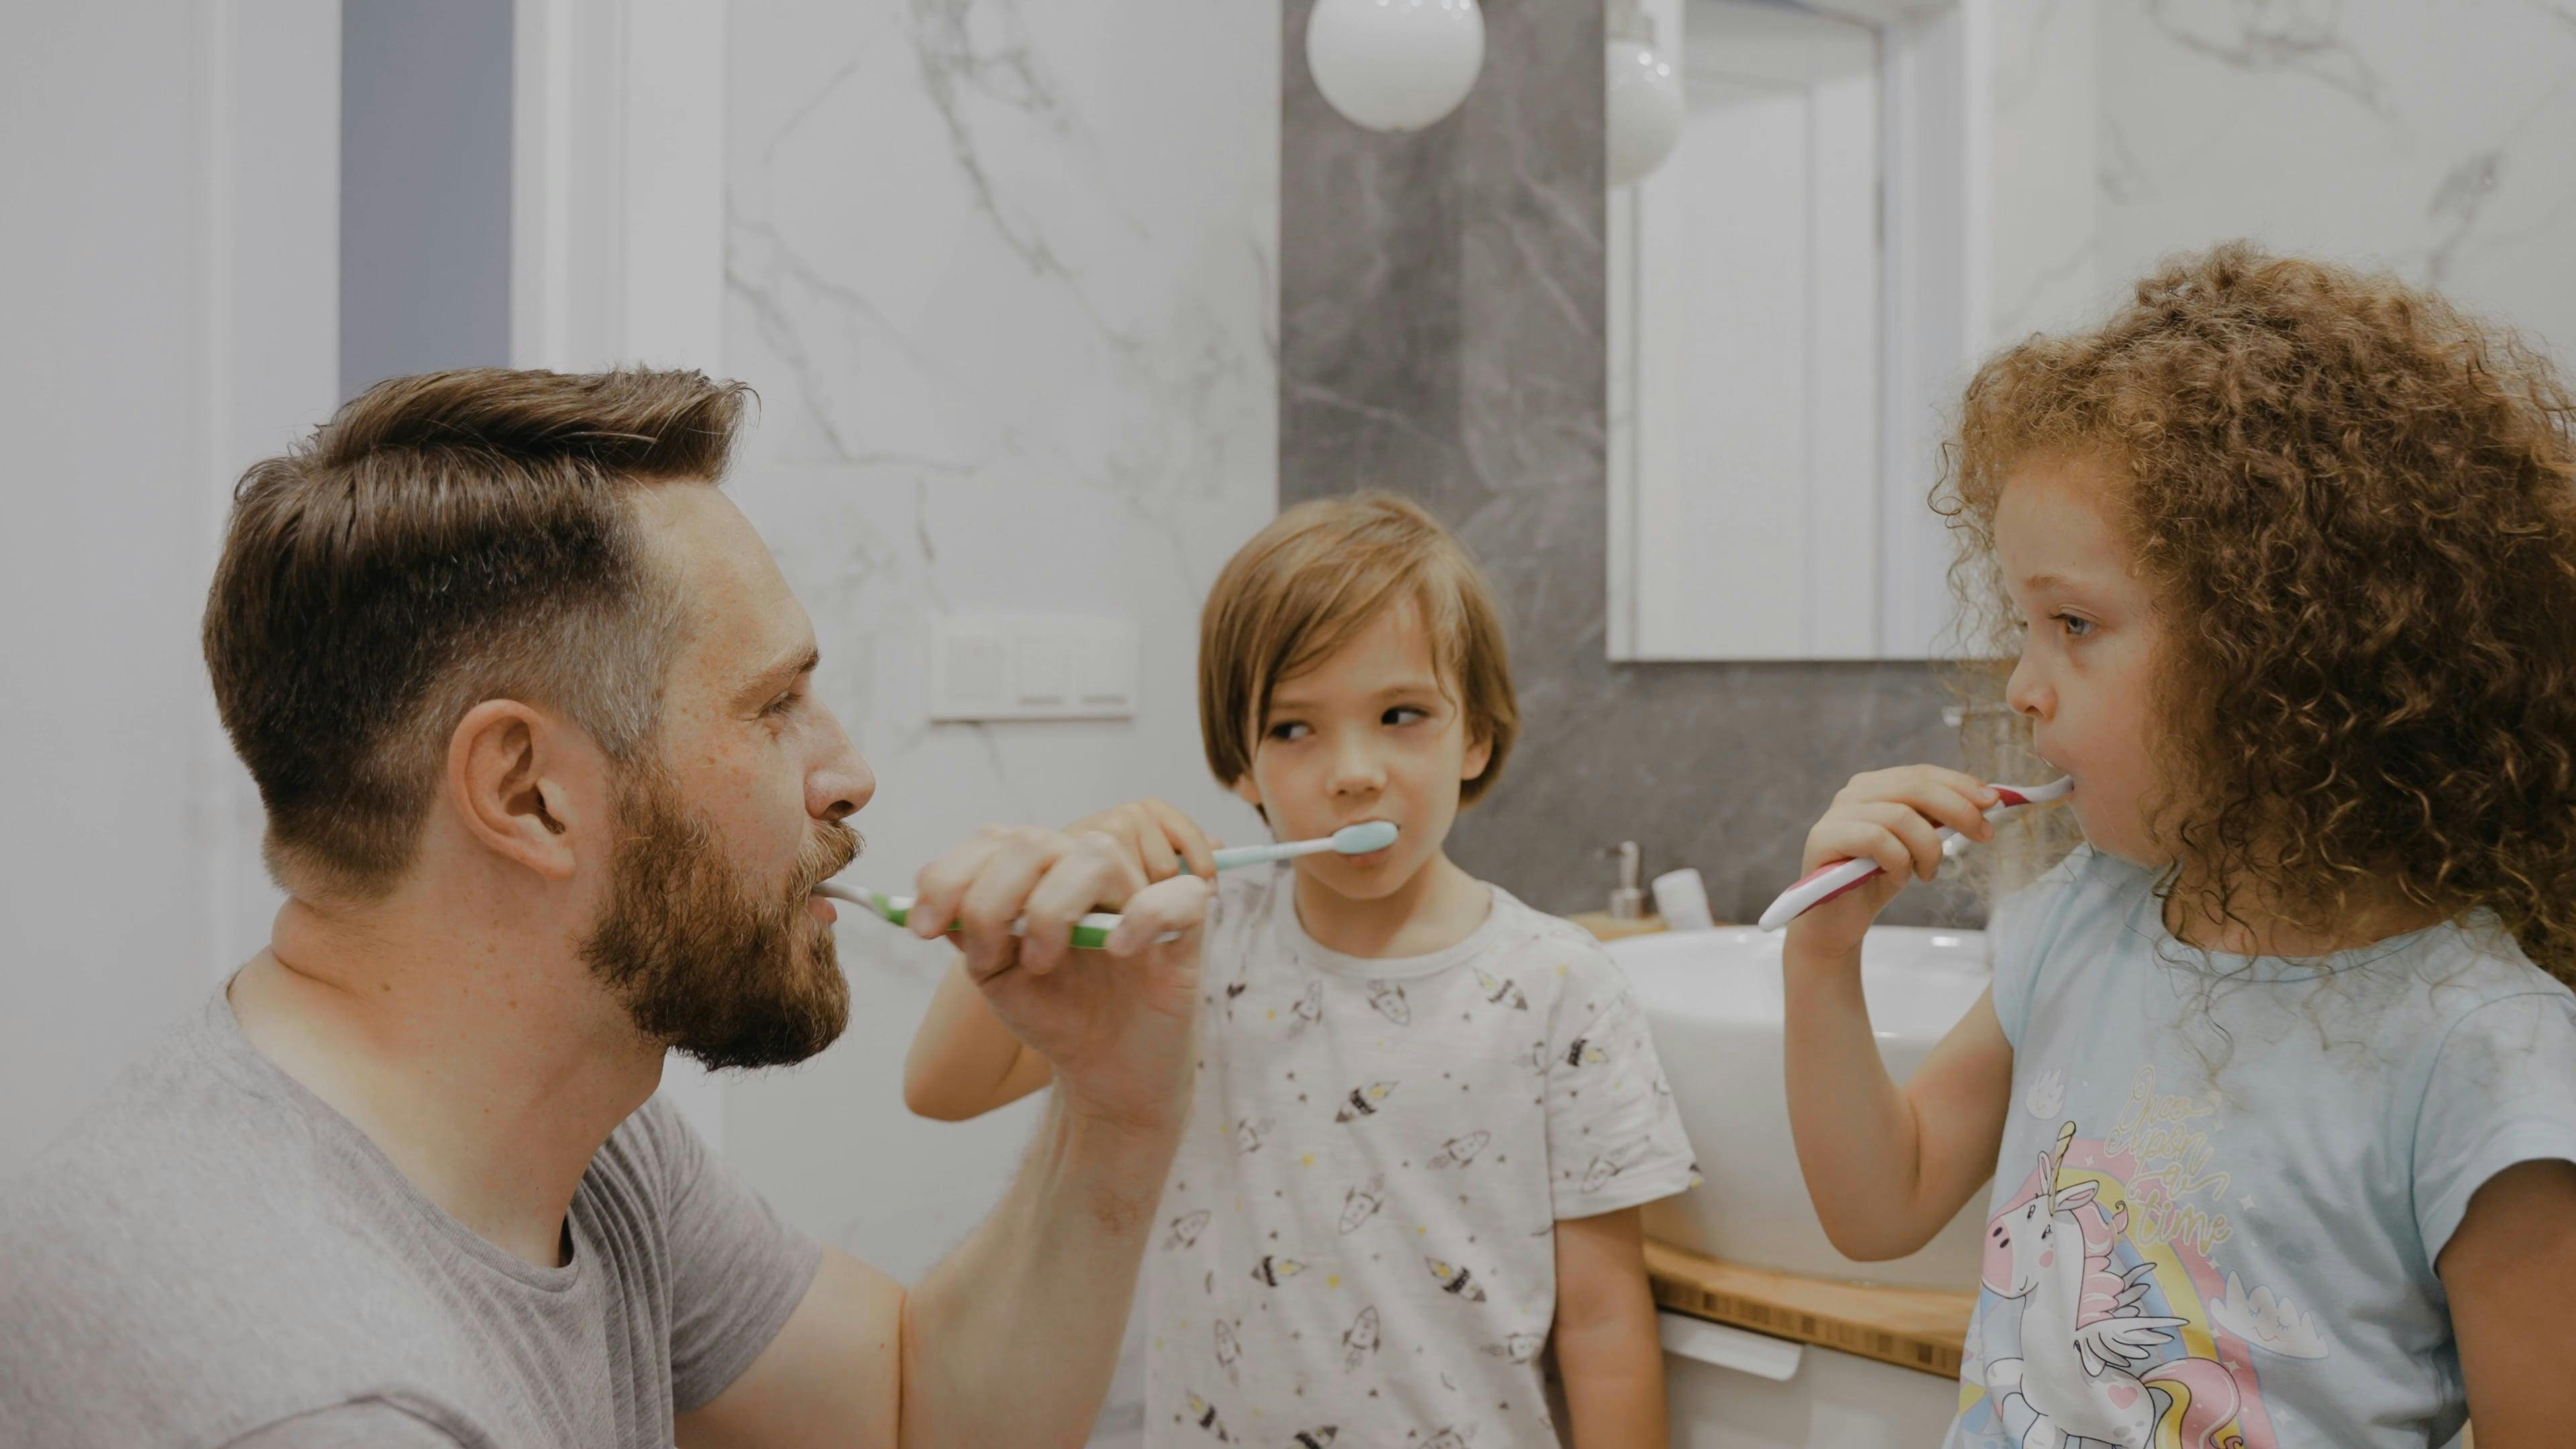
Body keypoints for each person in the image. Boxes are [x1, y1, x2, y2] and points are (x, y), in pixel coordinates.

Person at [0, 368, 1211, 1448]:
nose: (848, 774)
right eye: (774, 705)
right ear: (528, 794)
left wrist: (1116, 1103)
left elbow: (909, 1416)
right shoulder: (329, 1401)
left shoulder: (562, 1130)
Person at [1780, 244, 2576, 1448]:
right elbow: (1878, 1205)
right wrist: (1824, 957)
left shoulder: (2482, 1050)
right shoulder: (2082, 919)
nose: (2023, 686)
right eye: (2024, 624)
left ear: (2279, 648)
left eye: (2073, 623)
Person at [904, 494, 1697, 1447]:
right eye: (1293, 729)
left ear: (1477, 737)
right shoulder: (1184, 953)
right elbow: (941, 1089)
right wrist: (1059, 871)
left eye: (1401, 715)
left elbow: (1604, 1325)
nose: (1353, 771)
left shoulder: (1561, 986)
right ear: (1241, 765)